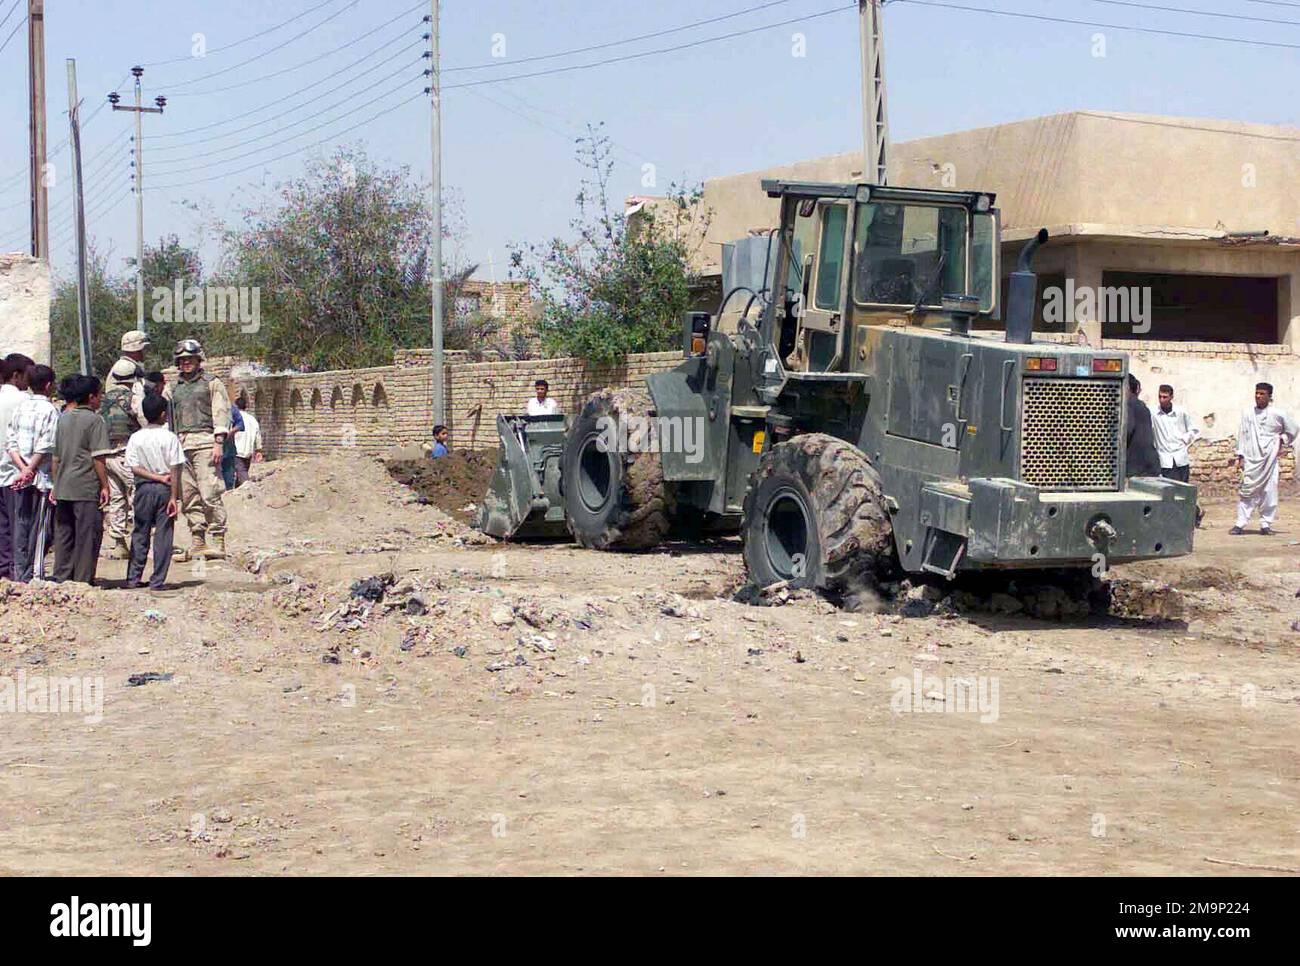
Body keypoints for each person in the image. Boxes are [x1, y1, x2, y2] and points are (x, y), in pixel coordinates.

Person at [168, 340, 232, 560]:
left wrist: (218, 442)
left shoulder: (212, 383)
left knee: (209, 493)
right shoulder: (173, 388)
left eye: (190, 358)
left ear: (198, 359)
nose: (186, 362)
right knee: (189, 496)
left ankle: (218, 541)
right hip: (181, 445)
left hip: (205, 443)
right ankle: (198, 541)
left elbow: (221, 412)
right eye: (182, 359)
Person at [51, 374, 111, 585]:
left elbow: (55, 458)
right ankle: (83, 582)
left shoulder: (63, 419)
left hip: (63, 487)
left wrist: (55, 484)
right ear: (91, 397)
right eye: (99, 395)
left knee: (64, 536)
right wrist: (105, 485)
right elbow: (98, 457)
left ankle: (61, 578)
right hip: (85, 487)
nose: (100, 399)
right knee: (87, 537)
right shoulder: (95, 420)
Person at [124, 393, 184, 590]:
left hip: (143, 488)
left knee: (140, 532)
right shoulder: (170, 437)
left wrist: (152, 477)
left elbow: (133, 467)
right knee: (163, 535)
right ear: (162, 414)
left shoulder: (135, 437)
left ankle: (133, 578)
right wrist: (174, 497)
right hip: (165, 488)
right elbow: (175, 468)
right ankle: (157, 580)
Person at [100, 332, 150, 560]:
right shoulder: (131, 383)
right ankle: (141, 541)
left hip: (107, 451)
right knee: (139, 492)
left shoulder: (110, 384)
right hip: (125, 449)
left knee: (118, 497)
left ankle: (118, 542)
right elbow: (140, 415)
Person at [6, 364, 57, 582]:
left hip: (19, 477)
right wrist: (30, 470)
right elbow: (47, 445)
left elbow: (11, 443)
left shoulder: (21, 408)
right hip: (41, 478)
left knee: (21, 526)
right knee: (40, 528)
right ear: (48, 386)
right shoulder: (50, 410)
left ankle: (20, 573)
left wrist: (22, 469)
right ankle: (35, 574)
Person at [1231, 382, 1298, 536]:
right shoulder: (1247, 413)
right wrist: (1240, 456)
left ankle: (1266, 524)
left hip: (1269, 459)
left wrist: (1282, 439)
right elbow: (1242, 435)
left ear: (1269, 396)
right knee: (1247, 490)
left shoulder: (1278, 414)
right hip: (1251, 458)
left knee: (1269, 491)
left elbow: (1293, 429)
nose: (1258, 396)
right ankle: (1240, 523)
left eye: (1262, 394)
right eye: (1257, 393)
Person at [0, 353, 34, 580]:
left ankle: (4, 569)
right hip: (17, 471)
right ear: (16, 376)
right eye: (27, 376)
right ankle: (17, 572)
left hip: (5, 471)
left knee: (3, 527)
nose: (30, 381)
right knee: (20, 526)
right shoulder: (24, 401)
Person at [1151, 384, 1204, 527]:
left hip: (1180, 457)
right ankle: (1176, 519)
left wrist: (1184, 439)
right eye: (1160, 397)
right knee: (1169, 491)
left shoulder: (1181, 412)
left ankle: (1194, 513)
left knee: (1183, 490)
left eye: (1165, 397)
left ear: (1171, 397)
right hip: (1164, 459)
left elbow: (1194, 429)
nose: (1162, 400)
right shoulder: (1153, 413)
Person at [1125, 374, 1160, 479]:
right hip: (1150, 465)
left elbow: (1126, 432)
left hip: (1135, 466)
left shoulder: (1128, 405)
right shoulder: (1142, 406)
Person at [233, 404, 263, 486]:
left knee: (243, 478)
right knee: (241, 474)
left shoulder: (234, 417)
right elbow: (258, 435)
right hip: (248, 452)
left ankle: (249, 493)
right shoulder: (252, 419)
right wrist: (258, 450)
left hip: (237, 451)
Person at [221, 403, 244, 490]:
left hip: (228, 449)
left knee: (228, 480)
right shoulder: (205, 405)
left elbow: (240, 424)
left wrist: (230, 432)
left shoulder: (230, 407)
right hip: (210, 449)